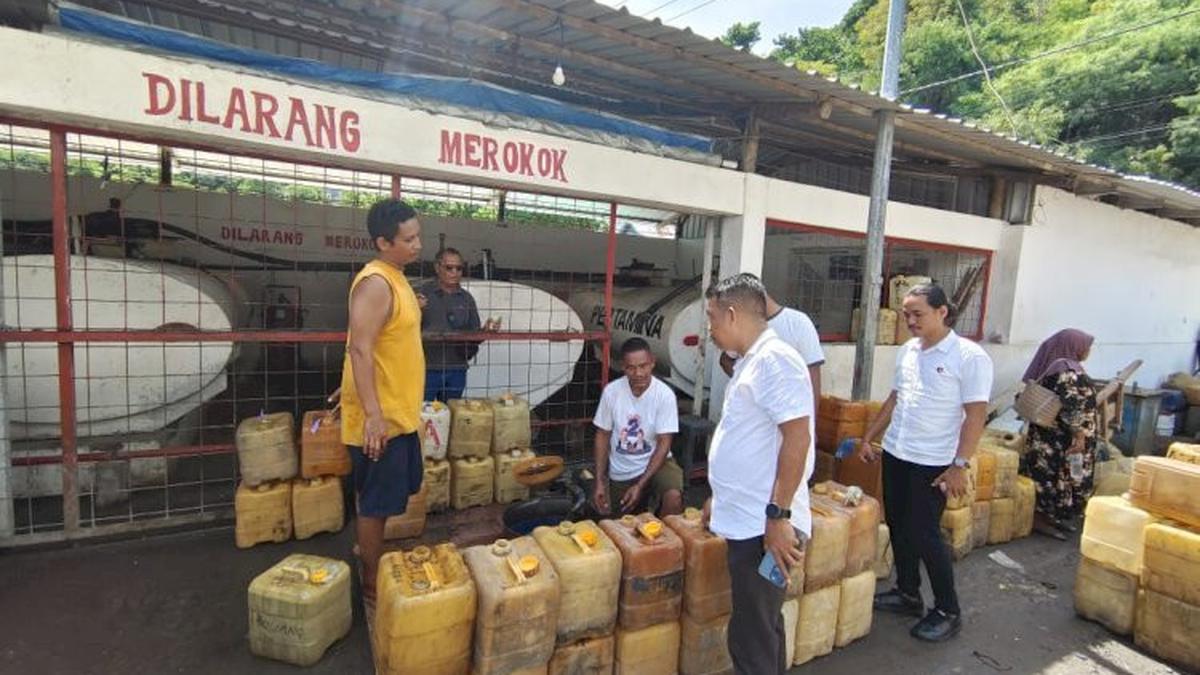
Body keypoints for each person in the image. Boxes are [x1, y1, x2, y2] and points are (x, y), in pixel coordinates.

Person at [857, 282, 993, 642]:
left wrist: (960, 464)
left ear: (942, 311)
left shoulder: (968, 356)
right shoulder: (908, 351)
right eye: (906, 314)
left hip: (933, 463)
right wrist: (870, 436)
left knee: (926, 535)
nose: (910, 320)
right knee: (900, 525)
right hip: (898, 453)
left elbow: (976, 415)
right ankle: (907, 593)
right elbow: (895, 397)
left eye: (918, 314)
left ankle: (948, 609)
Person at [702, 273, 813, 675]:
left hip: (764, 525)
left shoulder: (775, 360)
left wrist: (778, 517)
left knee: (751, 636)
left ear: (732, 314)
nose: (710, 330)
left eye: (712, 319)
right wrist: (721, 495)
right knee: (762, 624)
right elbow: (749, 439)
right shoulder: (752, 361)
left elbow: (796, 440)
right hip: (749, 516)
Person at [338, 198, 425, 619]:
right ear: (382, 242)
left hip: (398, 415)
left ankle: (365, 548)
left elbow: (378, 339)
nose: (417, 245)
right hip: (382, 421)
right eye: (408, 240)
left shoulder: (396, 278)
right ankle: (370, 578)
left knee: (387, 497)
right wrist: (371, 413)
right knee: (376, 502)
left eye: (417, 236)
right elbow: (360, 347)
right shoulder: (375, 283)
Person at [1020, 329, 1098, 540]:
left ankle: (1050, 518)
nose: (1088, 351)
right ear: (1075, 347)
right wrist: (1079, 435)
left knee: (1053, 477)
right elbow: (1070, 407)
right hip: (1060, 439)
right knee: (1053, 477)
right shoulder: (1066, 371)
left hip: (1051, 437)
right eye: (1087, 347)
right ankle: (1040, 519)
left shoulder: (1060, 367)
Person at [592, 338, 684, 517]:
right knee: (623, 523)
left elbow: (664, 443)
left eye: (643, 366)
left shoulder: (664, 395)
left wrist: (640, 485)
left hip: (657, 461)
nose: (638, 373)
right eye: (631, 368)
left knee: (673, 498)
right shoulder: (612, 392)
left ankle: (665, 539)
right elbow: (602, 435)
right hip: (622, 468)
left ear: (652, 363)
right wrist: (599, 481)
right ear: (623, 367)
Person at [417, 247, 497, 402]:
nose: (455, 272)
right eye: (449, 268)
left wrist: (486, 331)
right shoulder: (421, 293)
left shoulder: (467, 299)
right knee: (422, 417)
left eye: (459, 268)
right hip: (426, 369)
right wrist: (413, 309)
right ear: (437, 267)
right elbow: (402, 327)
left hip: (457, 369)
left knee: (453, 416)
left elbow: (475, 336)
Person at [720, 292, 824, 402]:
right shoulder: (746, 327)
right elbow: (725, 360)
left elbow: (813, 378)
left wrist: (811, 418)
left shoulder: (799, 323)